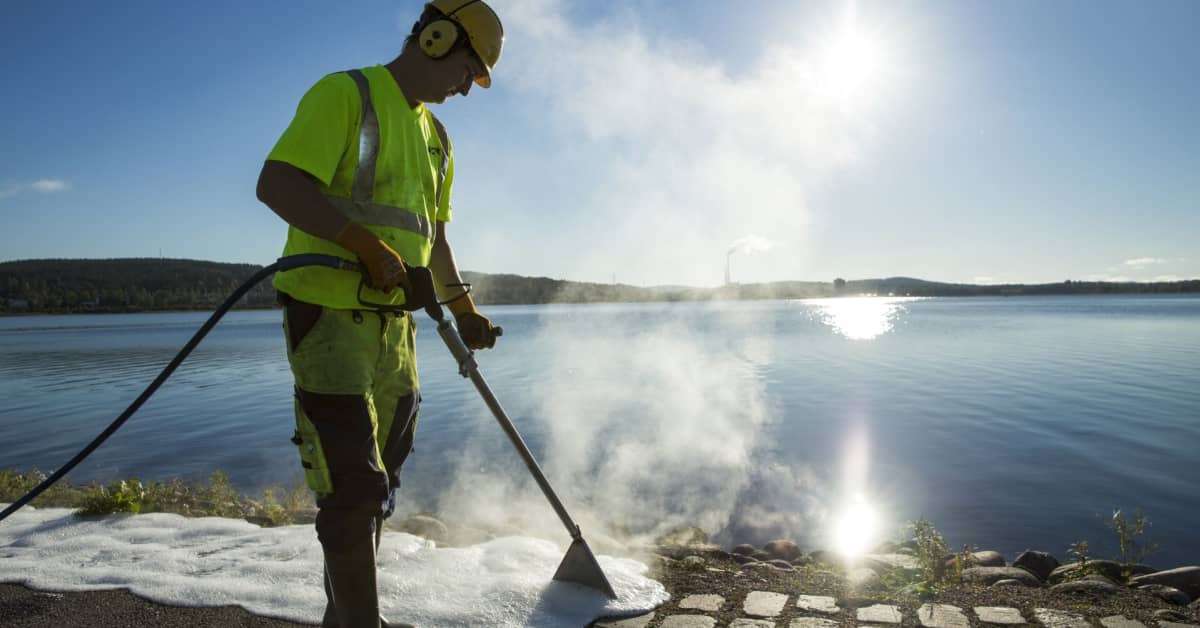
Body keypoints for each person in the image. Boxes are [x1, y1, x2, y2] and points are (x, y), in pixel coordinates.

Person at [255, 1, 503, 626]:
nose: (463, 89)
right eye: (466, 70)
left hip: (396, 330)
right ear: (438, 37)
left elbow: (433, 242)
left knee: (381, 481)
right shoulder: (348, 94)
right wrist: (363, 245)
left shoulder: (438, 140)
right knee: (351, 487)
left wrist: (464, 307)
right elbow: (278, 183)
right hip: (329, 318)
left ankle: (344, 618)